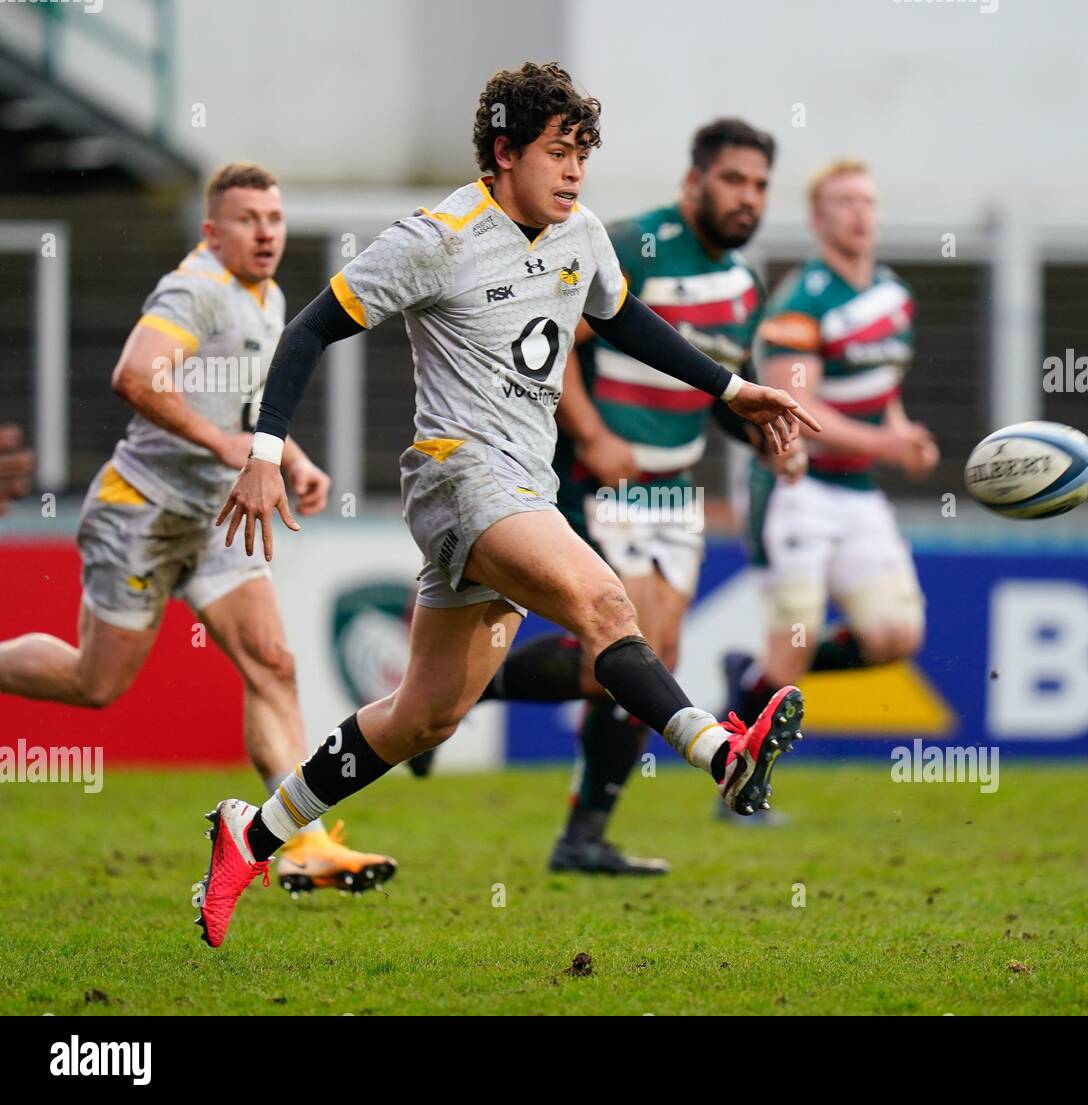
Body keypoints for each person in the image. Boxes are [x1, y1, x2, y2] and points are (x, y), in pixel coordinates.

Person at [195, 63, 817, 948]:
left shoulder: (581, 233)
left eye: (582, 156)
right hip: (458, 478)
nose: (573, 172)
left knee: (424, 715)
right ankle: (724, 754)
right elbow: (309, 330)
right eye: (558, 153)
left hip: (527, 484)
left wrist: (732, 387)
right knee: (608, 603)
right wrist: (263, 451)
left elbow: (624, 315)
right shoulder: (438, 235)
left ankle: (247, 837)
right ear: (503, 153)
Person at [0, 163, 396, 898]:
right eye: (248, 219)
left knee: (272, 663)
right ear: (213, 230)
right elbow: (135, 373)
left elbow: (242, 407)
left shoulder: (268, 295)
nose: (267, 232)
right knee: (96, 682)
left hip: (215, 515)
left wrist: (288, 455)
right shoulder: (197, 288)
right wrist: (225, 450)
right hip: (142, 510)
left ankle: (301, 842)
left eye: (274, 218)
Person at [410, 118, 781, 873]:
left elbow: (709, 387)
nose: (749, 198)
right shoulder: (635, 244)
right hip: (599, 481)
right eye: (734, 179)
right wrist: (591, 432)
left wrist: (763, 433)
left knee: (640, 657)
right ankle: (485, 726)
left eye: (761, 185)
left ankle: (569, 813)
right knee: (622, 644)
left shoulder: (747, 284)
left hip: (672, 490)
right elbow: (550, 339)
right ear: (694, 181)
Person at [724, 160, 938, 731]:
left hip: (858, 492)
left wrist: (903, 433)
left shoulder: (895, 296)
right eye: (843, 202)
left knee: (896, 634)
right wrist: (886, 446)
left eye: (867, 200)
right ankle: (739, 783)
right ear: (818, 220)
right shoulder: (803, 300)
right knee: (793, 639)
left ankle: (753, 678)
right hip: (798, 489)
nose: (859, 212)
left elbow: (879, 388)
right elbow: (802, 408)